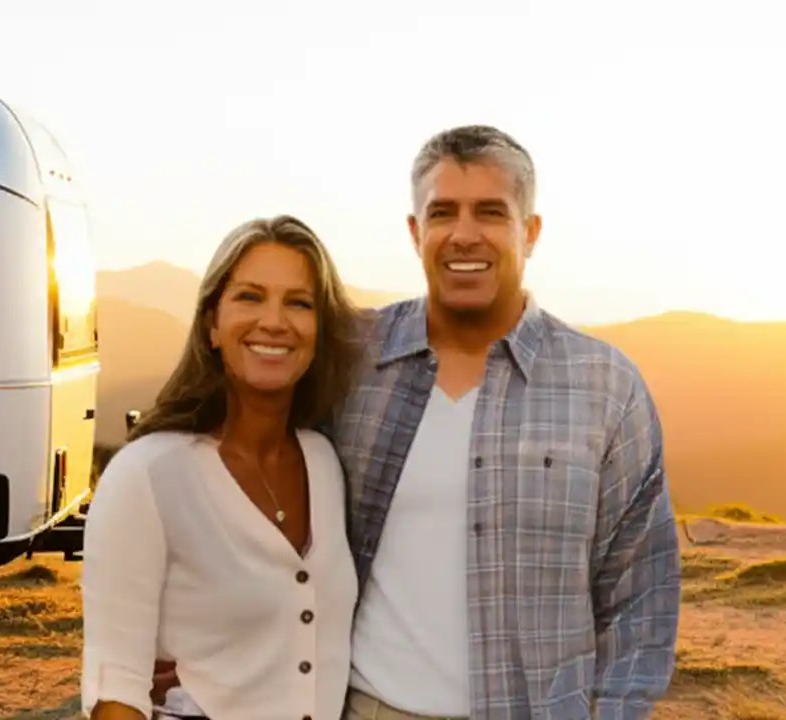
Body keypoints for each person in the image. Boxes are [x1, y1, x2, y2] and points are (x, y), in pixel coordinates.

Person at [154, 125, 683, 719]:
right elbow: (239, 463)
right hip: (365, 707)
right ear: (415, 231)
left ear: (529, 232)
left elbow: (641, 597)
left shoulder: (605, 387)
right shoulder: (349, 360)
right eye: (442, 213)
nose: (464, 234)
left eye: (490, 212)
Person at [79, 215, 366, 720]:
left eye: (299, 303)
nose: (274, 321)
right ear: (212, 324)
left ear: (320, 332)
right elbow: (115, 687)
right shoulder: (146, 475)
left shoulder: (323, 462)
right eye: (250, 297)